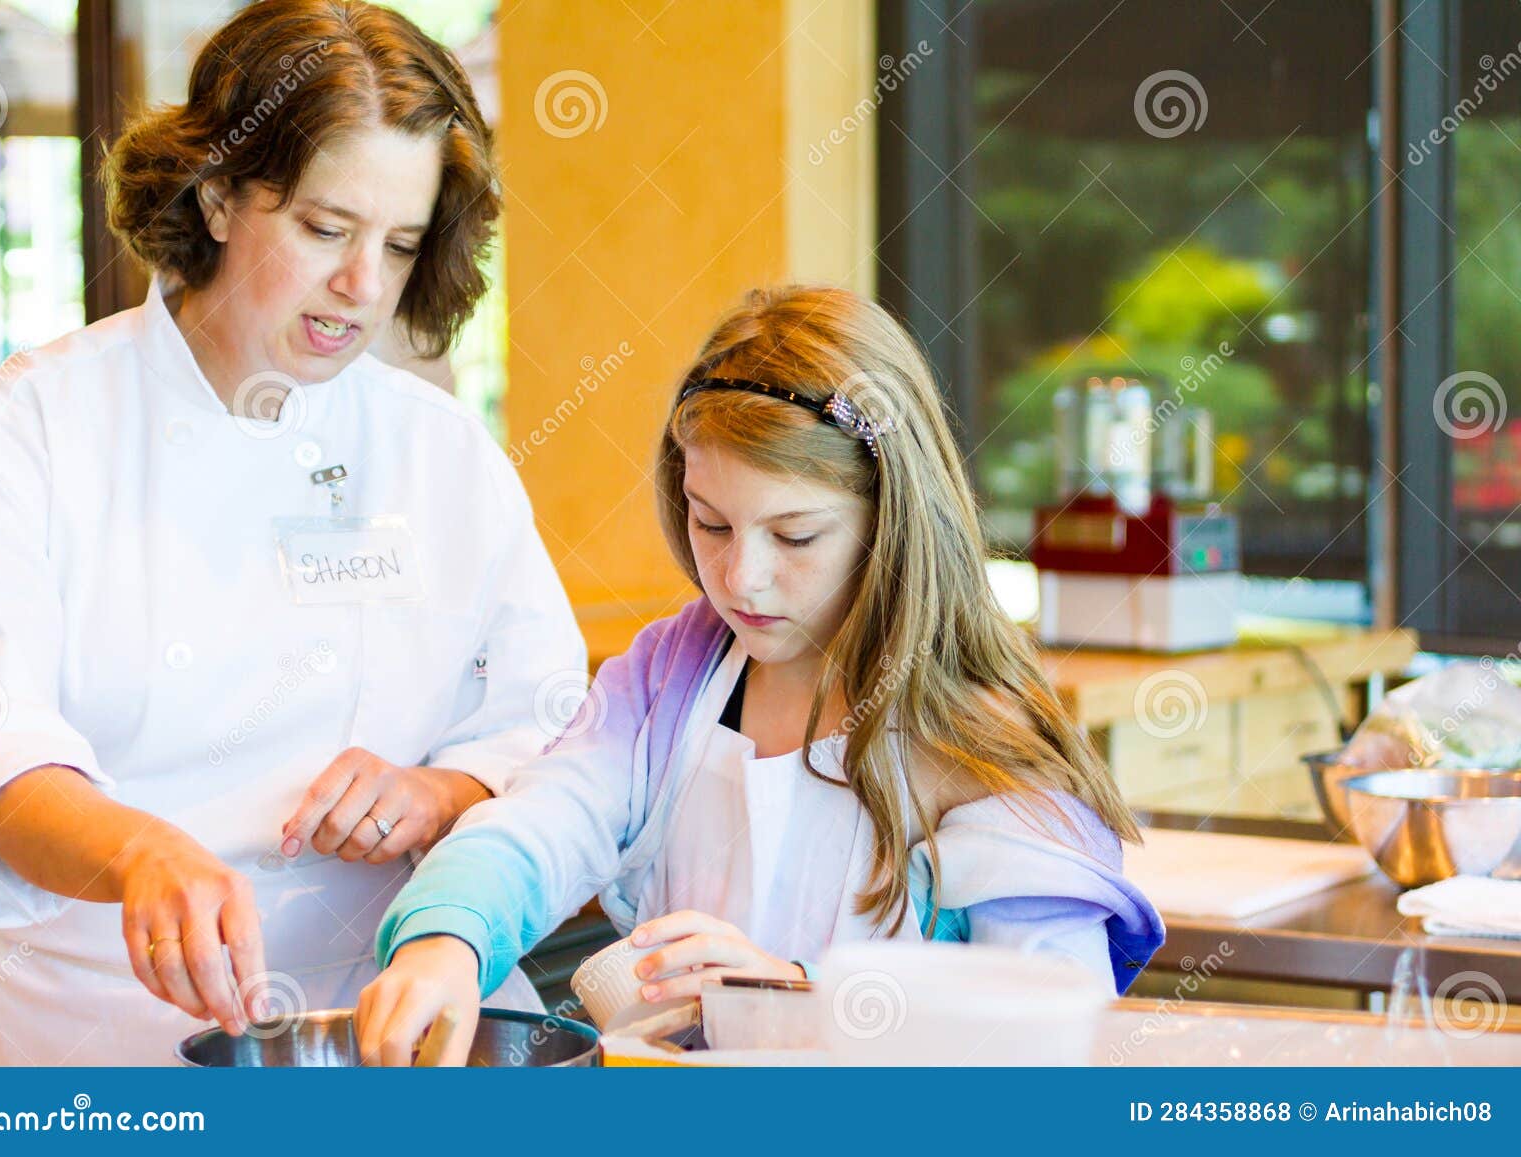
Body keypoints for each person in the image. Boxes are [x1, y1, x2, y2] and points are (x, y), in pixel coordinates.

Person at [0, 0, 581, 1066]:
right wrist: (138, 850)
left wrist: (436, 792)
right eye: (325, 228)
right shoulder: (13, 436)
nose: (363, 286)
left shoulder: (440, 453)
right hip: (74, 1039)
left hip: (384, 1028)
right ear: (220, 193)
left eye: (399, 242)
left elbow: (553, 730)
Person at [356, 286, 1164, 1066]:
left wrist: (801, 1004)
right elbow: (538, 822)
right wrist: (446, 935)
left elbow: (1059, 1039)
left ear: (891, 519)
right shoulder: (675, 675)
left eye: (796, 534)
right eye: (712, 523)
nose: (741, 577)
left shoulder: (988, 748)